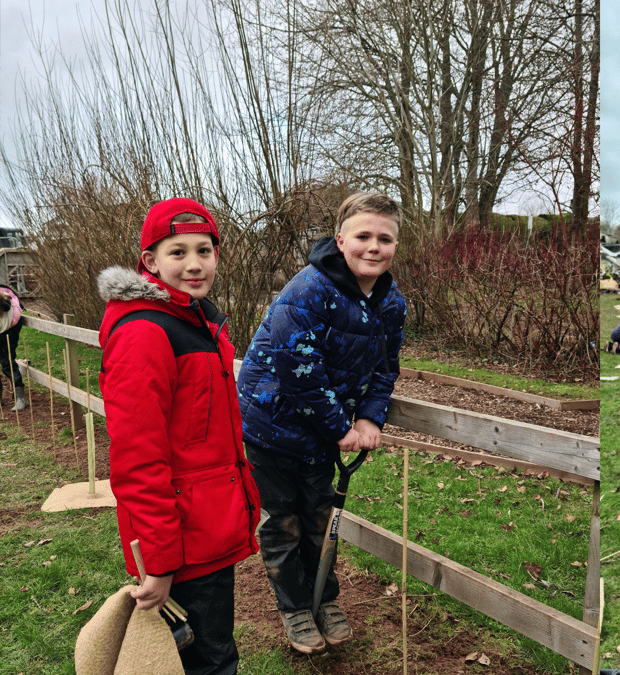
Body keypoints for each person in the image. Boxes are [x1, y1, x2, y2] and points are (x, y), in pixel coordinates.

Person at [237, 192, 407, 655]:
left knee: (319, 517)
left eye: (385, 238)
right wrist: (341, 428)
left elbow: (385, 368)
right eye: (363, 236)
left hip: (319, 433)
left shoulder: (391, 304)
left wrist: (371, 414)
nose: (374, 247)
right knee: (281, 521)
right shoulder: (308, 290)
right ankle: (295, 607)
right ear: (340, 239)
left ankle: (324, 600)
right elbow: (299, 369)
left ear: (396, 245)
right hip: (270, 425)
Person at [98, 198, 261, 675]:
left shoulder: (197, 321)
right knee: (209, 662)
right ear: (150, 261)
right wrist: (160, 560)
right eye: (178, 252)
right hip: (184, 540)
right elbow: (137, 458)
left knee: (208, 653)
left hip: (208, 526)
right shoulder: (146, 332)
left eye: (205, 250)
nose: (195, 264)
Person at [0, 283, 27, 411]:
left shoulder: (8, 302)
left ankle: (20, 397)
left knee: (8, 363)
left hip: (8, 332)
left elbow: (7, 306)